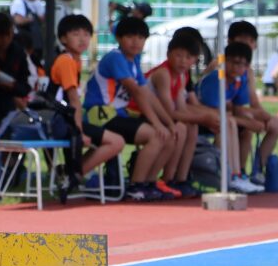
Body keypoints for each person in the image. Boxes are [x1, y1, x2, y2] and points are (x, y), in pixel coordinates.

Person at [82, 16, 176, 202]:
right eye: (130, 37)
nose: (136, 42)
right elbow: (137, 93)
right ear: (119, 38)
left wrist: (169, 122)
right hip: (100, 115)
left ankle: (149, 183)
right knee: (155, 134)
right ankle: (136, 185)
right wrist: (158, 124)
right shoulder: (115, 58)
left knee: (168, 134)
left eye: (141, 38)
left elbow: (148, 95)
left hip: (117, 115)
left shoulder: (133, 62)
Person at [48, 14, 125, 202]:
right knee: (116, 142)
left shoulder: (76, 61)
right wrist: (79, 132)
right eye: (76, 34)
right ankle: (73, 174)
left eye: (86, 34)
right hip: (59, 121)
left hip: (66, 119)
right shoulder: (65, 61)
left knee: (115, 141)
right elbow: (74, 101)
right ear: (63, 38)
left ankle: (69, 172)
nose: (82, 39)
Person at [143, 28, 220, 198]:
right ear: (168, 54)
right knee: (181, 128)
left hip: (161, 115)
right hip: (144, 114)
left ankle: (180, 178)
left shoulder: (182, 76)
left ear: (194, 60)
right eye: (178, 55)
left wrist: (201, 118)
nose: (183, 61)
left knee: (190, 126)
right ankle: (166, 178)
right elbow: (171, 112)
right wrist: (203, 118)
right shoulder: (163, 74)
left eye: (188, 57)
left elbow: (181, 108)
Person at [197, 41, 266, 193]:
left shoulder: (239, 80)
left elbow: (239, 108)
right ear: (224, 61)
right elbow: (214, 112)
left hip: (220, 117)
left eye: (243, 65)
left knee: (232, 122)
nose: (238, 68)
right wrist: (245, 122)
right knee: (228, 122)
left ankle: (237, 174)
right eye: (234, 63)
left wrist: (252, 121)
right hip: (201, 117)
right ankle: (227, 174)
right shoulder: (216, 79)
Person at [225, 20, 278, 181]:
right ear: (230, 42)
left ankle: (257, 169)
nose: (247, 46)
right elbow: (227, 105)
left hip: (238, 111)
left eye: (250, 42)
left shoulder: (247, 71)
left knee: (275, 123)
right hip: (223, 114)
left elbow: (253, 103)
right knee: (248, 125)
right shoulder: (222, 68)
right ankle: (239, 172)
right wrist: (248, 117)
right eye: (242, 41)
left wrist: (266, 118)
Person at [10, 0, 47, 66]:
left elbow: (43, 19)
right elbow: (18, 20)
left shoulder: (37, 2)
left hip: (37, 45)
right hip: (24, 45)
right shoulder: (18, 2)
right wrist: (31, 19)